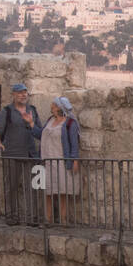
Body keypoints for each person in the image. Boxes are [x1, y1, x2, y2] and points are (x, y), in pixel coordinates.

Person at [0, 83, 43, 225]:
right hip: (12, 154)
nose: (23, 95)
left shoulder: (33, 110)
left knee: (33, 187)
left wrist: (31, 122)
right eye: (20, 93)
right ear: (13, 95)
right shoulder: (6, 111)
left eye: (25, 92)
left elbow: (40, 132)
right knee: (11, 187)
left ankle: (32, 218)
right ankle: (11, 217)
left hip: (30, 154)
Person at [41, 96, 81, 224]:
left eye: (53, 105)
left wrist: (75, 160)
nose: (51, 107)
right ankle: (48, 219)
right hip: (47, 161)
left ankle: (63, 219)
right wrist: (31, 124)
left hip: (61, 161)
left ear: (59, 107)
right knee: (48, 191)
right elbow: (41, 134)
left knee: (63, 191)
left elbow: (74, 143)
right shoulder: (49, 120)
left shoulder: (70, 123)